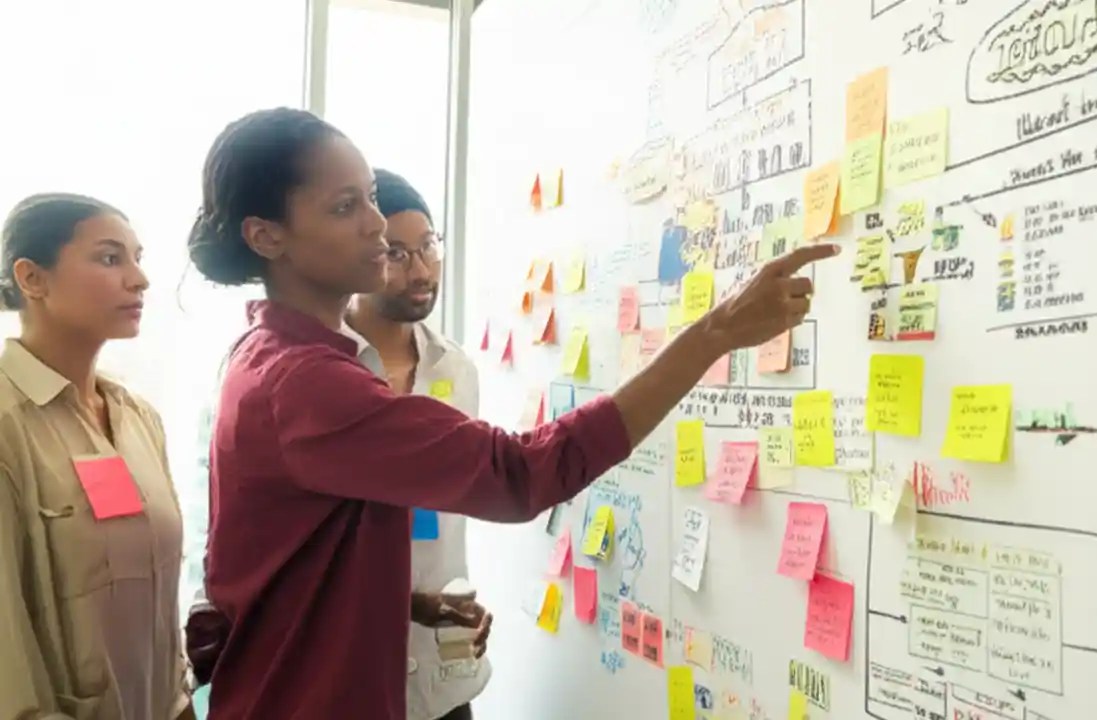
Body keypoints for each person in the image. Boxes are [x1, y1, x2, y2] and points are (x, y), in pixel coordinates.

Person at [186, 107, 837, 720]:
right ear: (267, 236)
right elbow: (521, 474)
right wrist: (714, 333)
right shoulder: (306, 382)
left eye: (372, 199)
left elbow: (294, 561)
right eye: (344, 207)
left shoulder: (268, 354)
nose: (377, 226)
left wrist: (407, 602)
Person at [0, 193, 193, 720]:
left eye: (137, 257)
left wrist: (180, 699)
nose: (139, 279)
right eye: (111, 259)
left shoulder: (138, 418)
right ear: (32, 279)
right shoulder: (7, 425)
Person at [344, 168, 491, 720]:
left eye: (428, 245)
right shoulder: (319, 369)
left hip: (442, 674)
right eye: (397, 253)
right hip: (346, 672)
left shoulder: (455, 368)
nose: (422, 269)